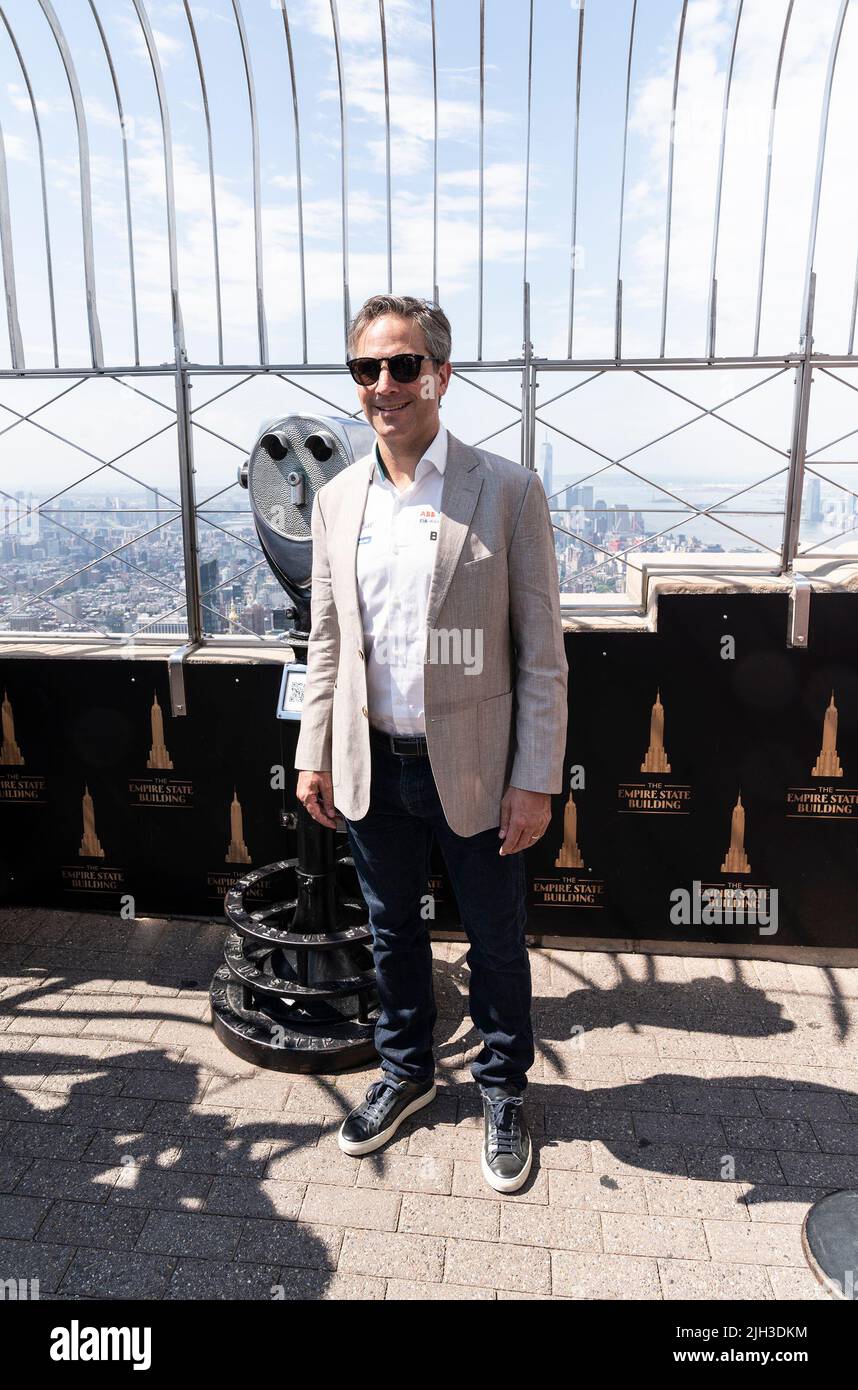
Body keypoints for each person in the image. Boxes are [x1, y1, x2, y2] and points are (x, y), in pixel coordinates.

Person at [294, 294, 567, 1192]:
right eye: (366, 370)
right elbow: (329, 643)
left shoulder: (509, 490)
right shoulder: (337, 502)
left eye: (403, 366)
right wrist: (314, 751)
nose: (384, 386)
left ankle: (501, 1088)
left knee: (495, 938)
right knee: (390, 933)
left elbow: (542, 654)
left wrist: (535, 777)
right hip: (374, 762)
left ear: (441, 375)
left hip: (481, 770)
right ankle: (405, 1073)